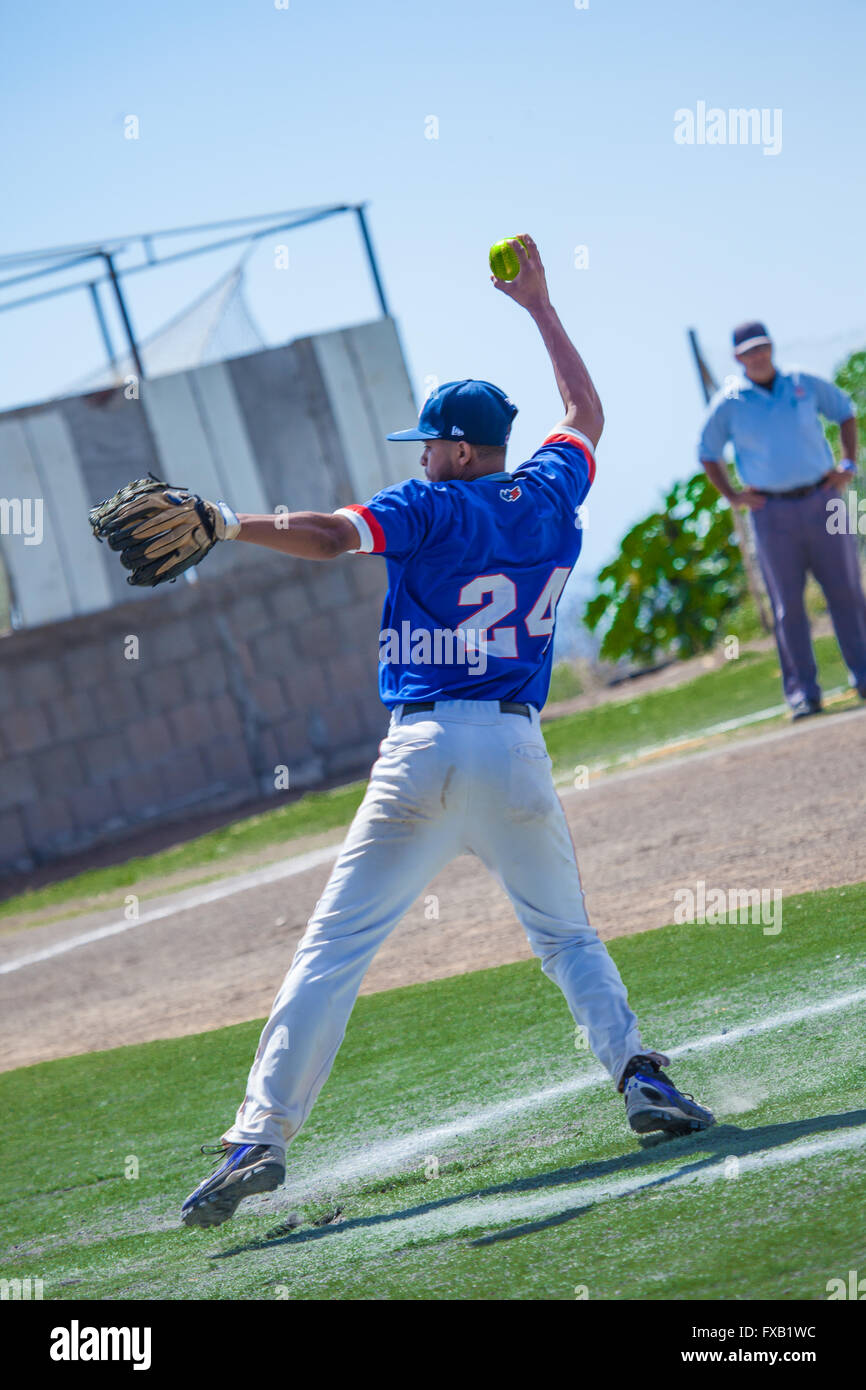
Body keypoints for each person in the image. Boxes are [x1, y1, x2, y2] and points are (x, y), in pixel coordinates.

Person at [180, 235, 714, 1230]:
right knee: (564, 935)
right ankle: (637, 1073)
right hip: (512, 749)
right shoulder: (551, 493)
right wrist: (541, 307)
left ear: (458, 451)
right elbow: (585, 416)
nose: (419, 457)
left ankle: (258, 1136)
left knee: (331, 950)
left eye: (426, 442)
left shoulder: (429, 503)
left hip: (420, 749)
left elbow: (331, 535)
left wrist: (226, 521)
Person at [699, 321, 864, 718]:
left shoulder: (803, 383)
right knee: (787, 607)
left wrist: (848, 463)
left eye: (763, 347)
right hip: (771, 513)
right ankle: (803, 694)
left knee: (848, 594)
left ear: (772, 347)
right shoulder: (729, 402)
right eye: (748, 350)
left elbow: (845, 412)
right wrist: (734, 495)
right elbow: (708, 452)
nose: (758, 355)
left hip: (824, 499)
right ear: (738, 357)